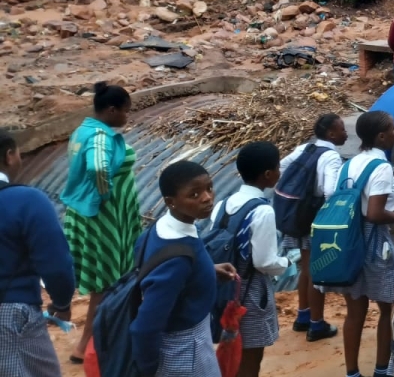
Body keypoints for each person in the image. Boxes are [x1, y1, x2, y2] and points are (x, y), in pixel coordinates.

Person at [132, 161, 237, 377]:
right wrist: (148, 368)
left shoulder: (163, 228)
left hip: (190, 343)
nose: (207, 197)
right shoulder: (178, 259)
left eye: (209, 188)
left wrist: (208, 269)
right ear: (171, 202)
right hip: (185, 350)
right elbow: (146, 324)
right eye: (194, 194)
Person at [335, 112, 394, 377]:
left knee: (355, 311)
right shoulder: (381, 167)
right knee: (387, 306)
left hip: (349, 240)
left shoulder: (348, 164)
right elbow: (375, 213)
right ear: (381, 136)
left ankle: (352, 372)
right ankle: (382, 370)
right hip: (376, 241)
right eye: (393, 130)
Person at [62, 81, 139, 364]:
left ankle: (106, 336)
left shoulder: (83, 131)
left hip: (94, 216)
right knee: (105, 284)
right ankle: (85, 345)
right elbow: (97, 166)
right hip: (102, 220)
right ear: (111, 110)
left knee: (109, 281)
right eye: (125, 112)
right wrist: (105, 194)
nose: (127, 117)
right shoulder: (99, 137)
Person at [211, 142, 291, 377]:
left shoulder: (222, 205)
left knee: (231, 348)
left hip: (224, 285)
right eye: (277, 167)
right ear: (268, 174)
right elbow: (264, 262)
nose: (279, 171)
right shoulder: (263, 211)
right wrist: (287, 263)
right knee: (250, 357)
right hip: (251, 293)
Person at [0, 130, 75, 377]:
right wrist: (62, 303)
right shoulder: (25, 200)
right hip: (10, 315)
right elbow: (56, 266)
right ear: (10, 155)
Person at [280, 114, 347, 341]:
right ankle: (316, 325)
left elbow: (282, 167)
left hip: (295, 215)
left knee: (305, 270)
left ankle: (303, 316)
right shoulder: (331, 157)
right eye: (342, 130)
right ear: (331, 134)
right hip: (313, 219)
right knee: (316, 272)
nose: (346, 133)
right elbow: (329, 192)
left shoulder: (305, 148)